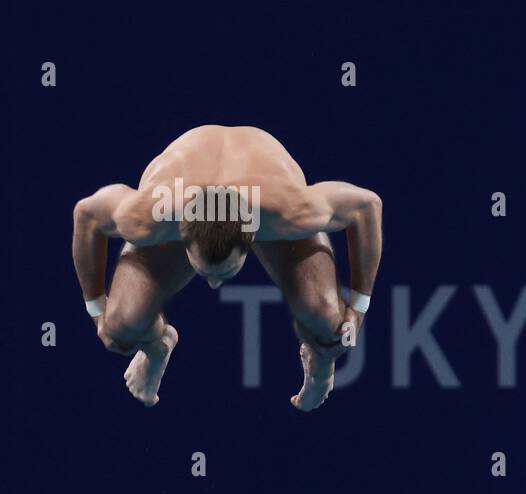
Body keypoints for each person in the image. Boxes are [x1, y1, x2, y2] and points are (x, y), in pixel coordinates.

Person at [72, 125, 382, 409]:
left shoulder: (288, 211)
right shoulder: (147, 215)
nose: (214, 285)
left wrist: (358, 310)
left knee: (336, 329)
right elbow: (86, 214)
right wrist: (96, 310)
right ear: (179, 234)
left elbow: (367, 206)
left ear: (253, 237)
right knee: (115, 332)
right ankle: (156, 347)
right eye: (205, 271)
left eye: (226, 272)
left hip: (263, 202)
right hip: (181, 207)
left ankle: (321, 360)